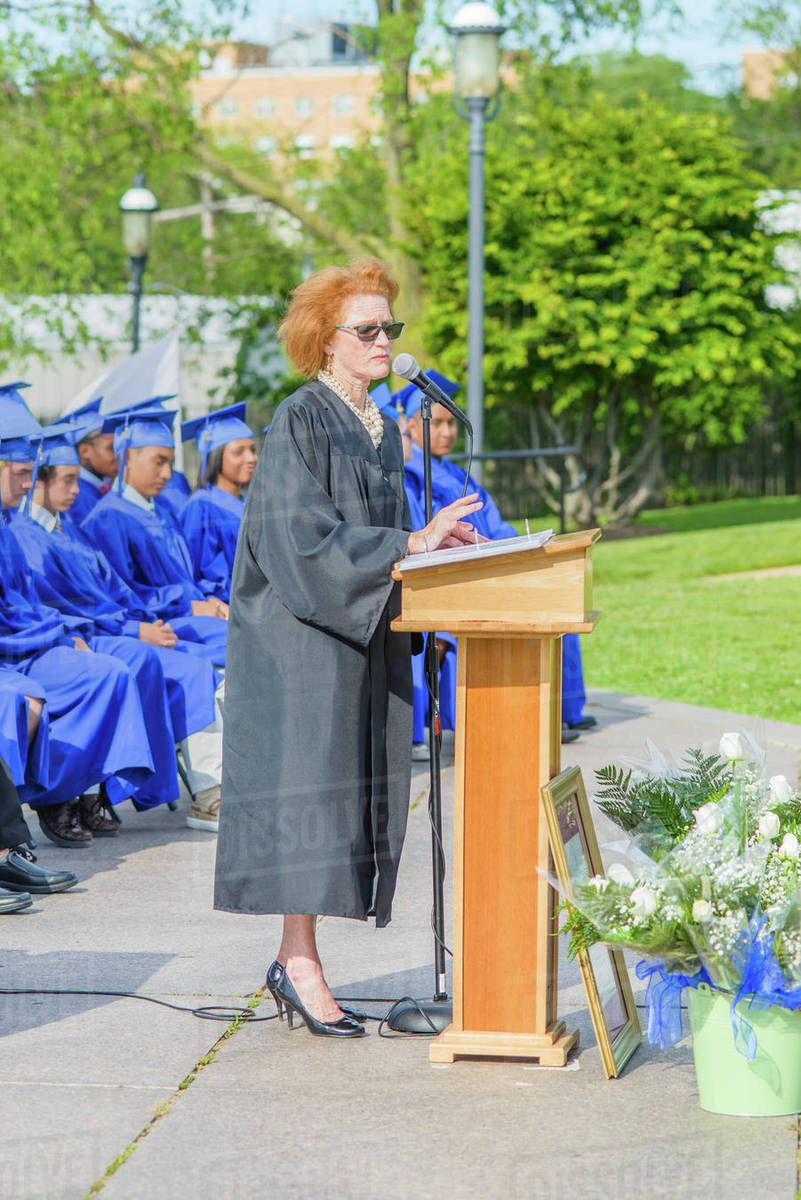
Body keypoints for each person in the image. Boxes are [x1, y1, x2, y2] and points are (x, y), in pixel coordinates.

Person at [214, 258, 483, 1039]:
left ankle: (298, 958)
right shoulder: (301, 417)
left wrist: (430, 552)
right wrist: (406, 540)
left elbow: (379, 539)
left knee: (342, 798)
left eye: (388, 328)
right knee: (312, 796)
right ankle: (296, 962)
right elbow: (300, 542)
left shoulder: (373, 425)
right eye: (364, 330)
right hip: (301, 642)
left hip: (354, 631)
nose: (381, 340)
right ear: (322, 340)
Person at [11, 422, 225, 831]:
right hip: (70, 637)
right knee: (134, 664)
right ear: (40, 481)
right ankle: (83, 790)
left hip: (104, 628)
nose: (79, 490)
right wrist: (131, 630)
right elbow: (59, 605)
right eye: (69, 480)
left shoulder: (67, 529)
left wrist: (139, 622)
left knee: (176, 659)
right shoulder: (25, 535)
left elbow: (113, 591)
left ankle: (103, 790)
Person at [400, 369, 594, 743]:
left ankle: (556, 712)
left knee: (556, 607)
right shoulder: (411, 475)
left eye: (451, 424)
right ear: (412, 424)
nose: (446, 432)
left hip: (487, 571)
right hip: (450, 579)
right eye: (436, 423)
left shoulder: (459, 474)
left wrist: (527, 546)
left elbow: (496, 525)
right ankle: (481, 723)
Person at [0, 427, 156, 848]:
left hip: (35, 641)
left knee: (114, 672)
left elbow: (28, 606)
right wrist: (63, 635)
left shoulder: (9, 529)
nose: (26, 483)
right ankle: (56, 797)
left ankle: (81, 789)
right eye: (18, 473)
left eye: (29, 473)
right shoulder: (19, 533)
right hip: (17, 653)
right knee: (108, 672)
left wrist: (64, 634)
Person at [81, 407, 229, 667]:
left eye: (170, 463)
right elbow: (123, 593)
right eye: (158, 462)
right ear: (126, 458)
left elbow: (186, 577)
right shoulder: (108, 518)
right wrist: (190, 606)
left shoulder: (160, 511)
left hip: (188, 613)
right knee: (237, 640)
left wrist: (209, 601)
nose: (167, 474)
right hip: (158, 623)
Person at [179, 403, 257, 602]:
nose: (251, 458)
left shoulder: (248, 503)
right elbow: (193, 570)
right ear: (215, 456)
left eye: (253, 450)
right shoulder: (200, 506)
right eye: (238, 452)